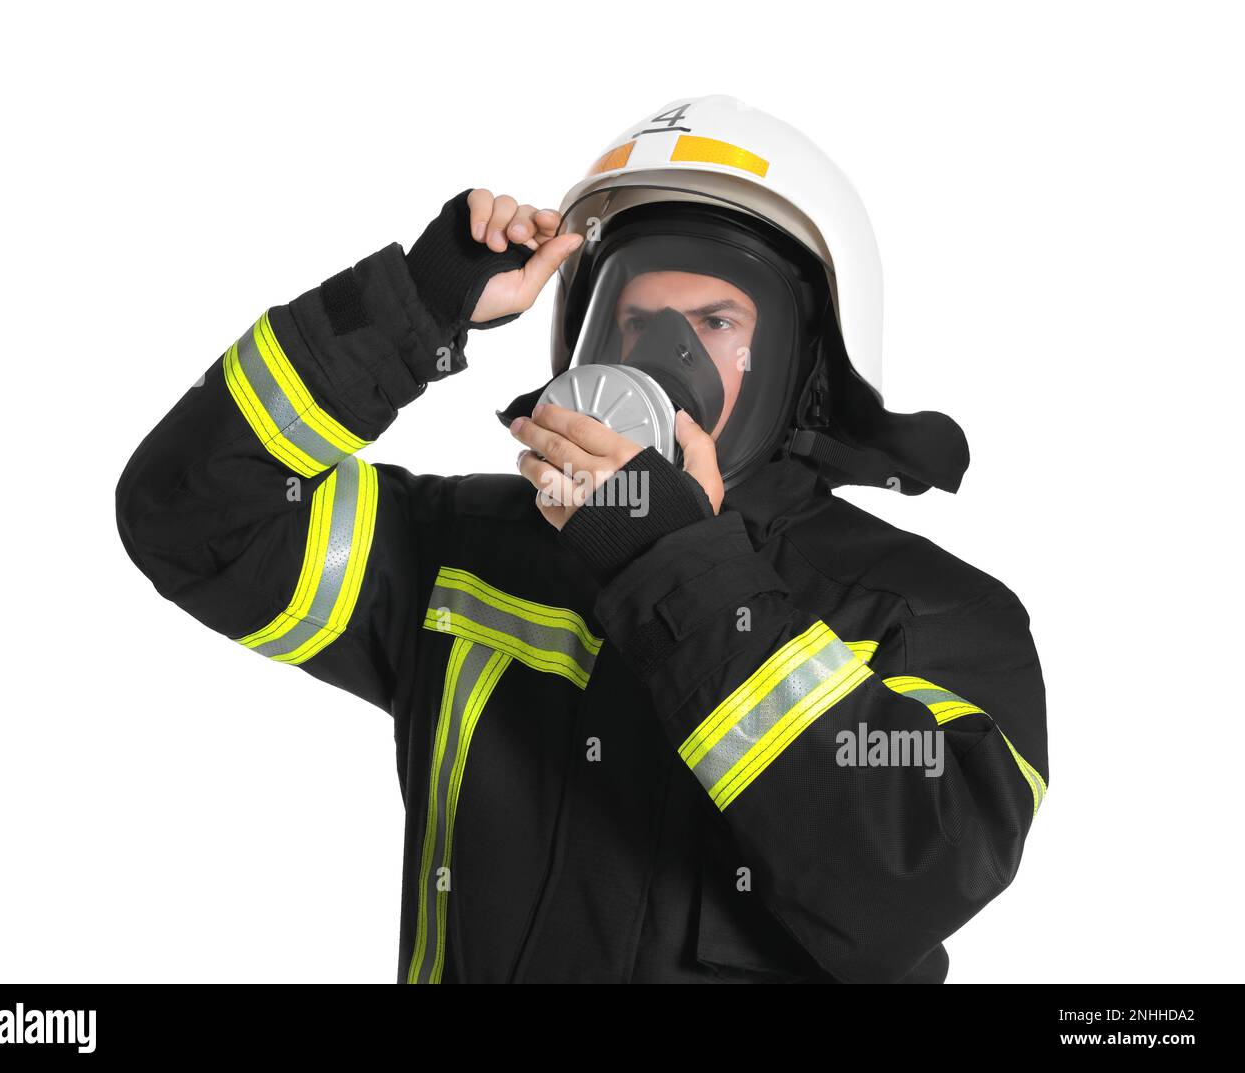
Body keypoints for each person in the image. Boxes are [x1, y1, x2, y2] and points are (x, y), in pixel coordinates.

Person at [117, 95, 1048, 984]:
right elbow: (192, 516)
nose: (659, 357)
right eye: (636, 321)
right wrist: (414, 306)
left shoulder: (930, 614)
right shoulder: (468, 554)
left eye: (715, 322)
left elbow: (905, 880)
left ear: (805, 370)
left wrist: (673, 561)